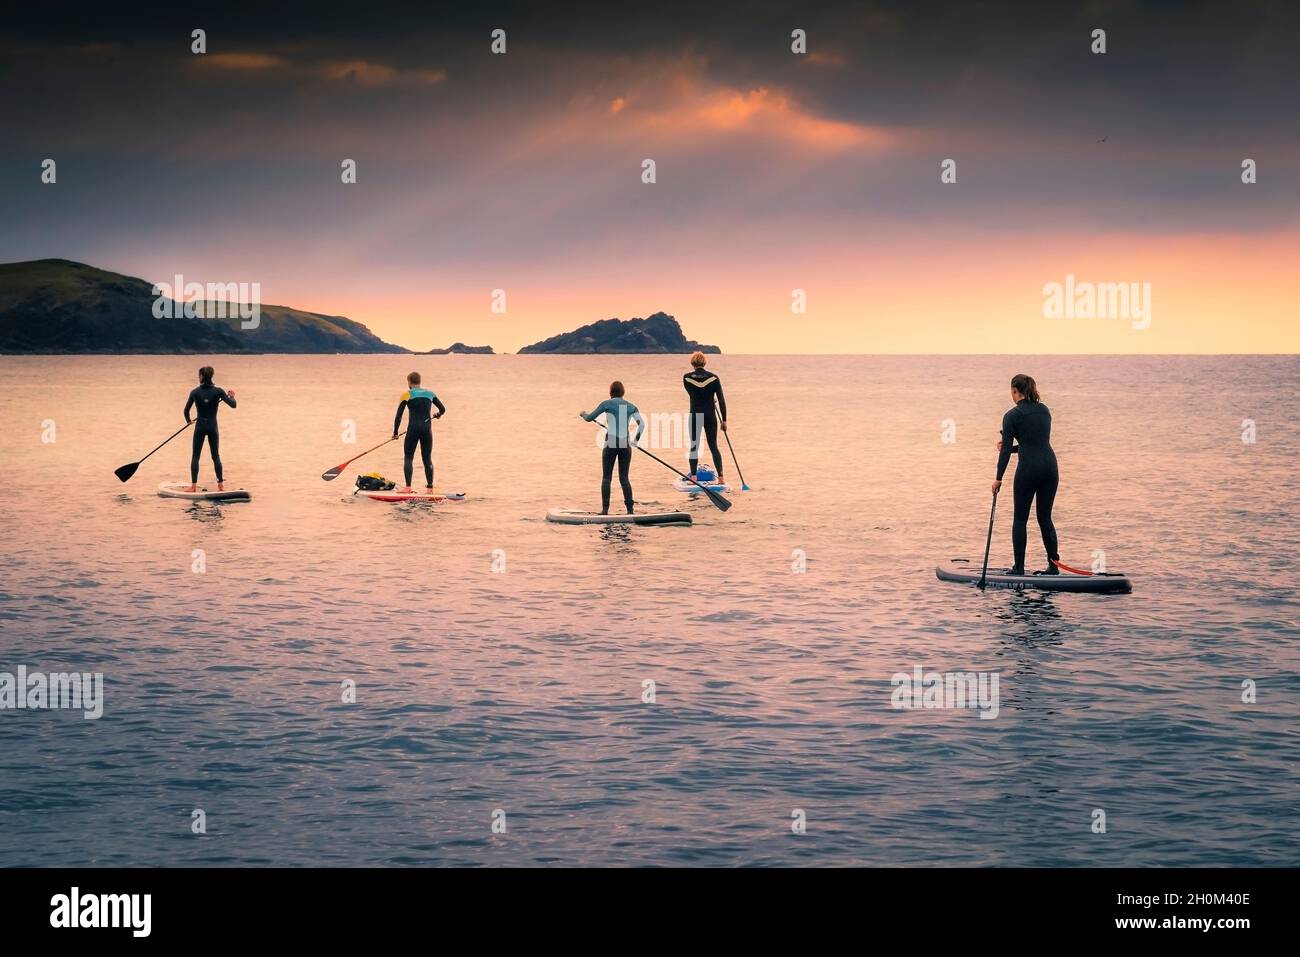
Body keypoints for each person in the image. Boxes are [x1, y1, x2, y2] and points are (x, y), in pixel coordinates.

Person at [992, 373, 1060, 575]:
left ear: (1014, 391)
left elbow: (1011, 451)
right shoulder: (1044, 410)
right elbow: (1034, 443)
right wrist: (1012, 448)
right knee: (1045, 517)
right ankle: (1053, 566)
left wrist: (998, 478)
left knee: (1020, 519)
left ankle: (1019, 568)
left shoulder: (1011, 416)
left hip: (1028, 470)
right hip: (1050, 468)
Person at [579, 381, 645, 515]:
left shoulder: (606, 404)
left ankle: (605, 511)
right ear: (623, 392)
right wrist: (635, 441)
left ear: (611, 392)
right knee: (624, 478)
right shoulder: (632, 407)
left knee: (606, 478)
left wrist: (583, 413)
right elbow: (642, 425)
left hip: (610, 443)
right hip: (625, 445)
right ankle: (630, 511)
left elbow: (589, 418)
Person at [183, 366, 236, 492]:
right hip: (212, 427)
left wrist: (189, 421)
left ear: (202, 376)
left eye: (199, 375)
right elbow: (233, 405)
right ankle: (220, 485)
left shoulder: (195, 392)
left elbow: (186, 411)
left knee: (196, 456)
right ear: (211, 376)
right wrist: (232, 396)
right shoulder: (218, 391)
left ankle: (193, 486)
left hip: (200, 427)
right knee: (215, 456)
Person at [392, 372, 445, 491]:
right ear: (419, 381)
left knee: (408, 457)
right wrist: (438, 414)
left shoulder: (407, 394)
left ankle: (408, 488)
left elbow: (398, 416)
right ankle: (430, 488)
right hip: (426, 430)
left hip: (413, 429)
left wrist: (395, 432)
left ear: (409, 382)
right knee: (427, 458)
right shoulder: (430, 394)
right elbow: (443, 409)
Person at [683, 351, 727, 482]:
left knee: (694, 446)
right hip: (710, 416)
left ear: (692, 363)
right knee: (714, 446)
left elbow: (694, 394)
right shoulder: (714, 378)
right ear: (704, 362)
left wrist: (706, 397)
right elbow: (721, 400)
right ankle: (721, 478)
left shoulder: (686, 378)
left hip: (696, 415)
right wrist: (724, 420)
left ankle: (694, 477)